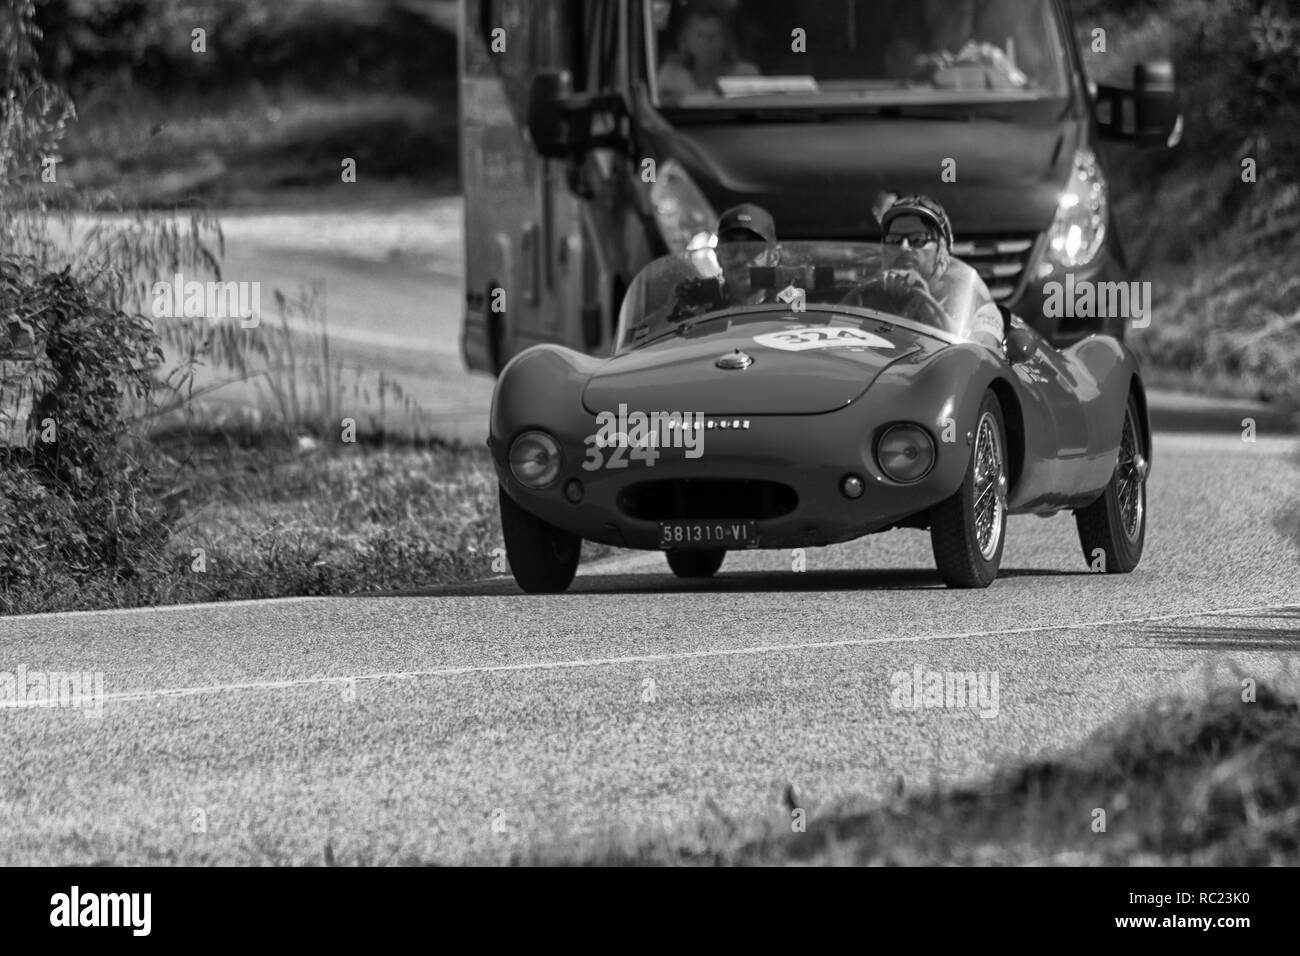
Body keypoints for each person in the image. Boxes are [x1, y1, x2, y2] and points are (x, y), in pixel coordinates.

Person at [843, 195, 1005, 351]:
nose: (904, 247)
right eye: (894, 240)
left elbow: (981, 358)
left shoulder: (976, 302)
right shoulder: (863, 297)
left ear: (942, 249)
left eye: (918, 239)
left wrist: (925, 304)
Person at [890, 0, 1028, 90]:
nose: (950, 22)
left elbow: (1022, 89)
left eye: (960, 14)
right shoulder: (907, 57)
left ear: (970, 18)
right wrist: (922, 64)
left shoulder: (990, 57)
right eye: (942, 14)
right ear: (929, 14)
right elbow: (894, 84)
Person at [657, 1, 759, 100]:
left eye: (714, 36)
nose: (707, 43)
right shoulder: (670, 77)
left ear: (726, 39)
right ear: (686, 40)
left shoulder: (745, 76)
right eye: (700, 36)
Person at [714, 203, 781, 306]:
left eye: (753, 248)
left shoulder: (794, 307)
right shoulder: (698, 309)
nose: (740, 258)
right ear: (718, 257)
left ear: (774, 257)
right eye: (730, 249)